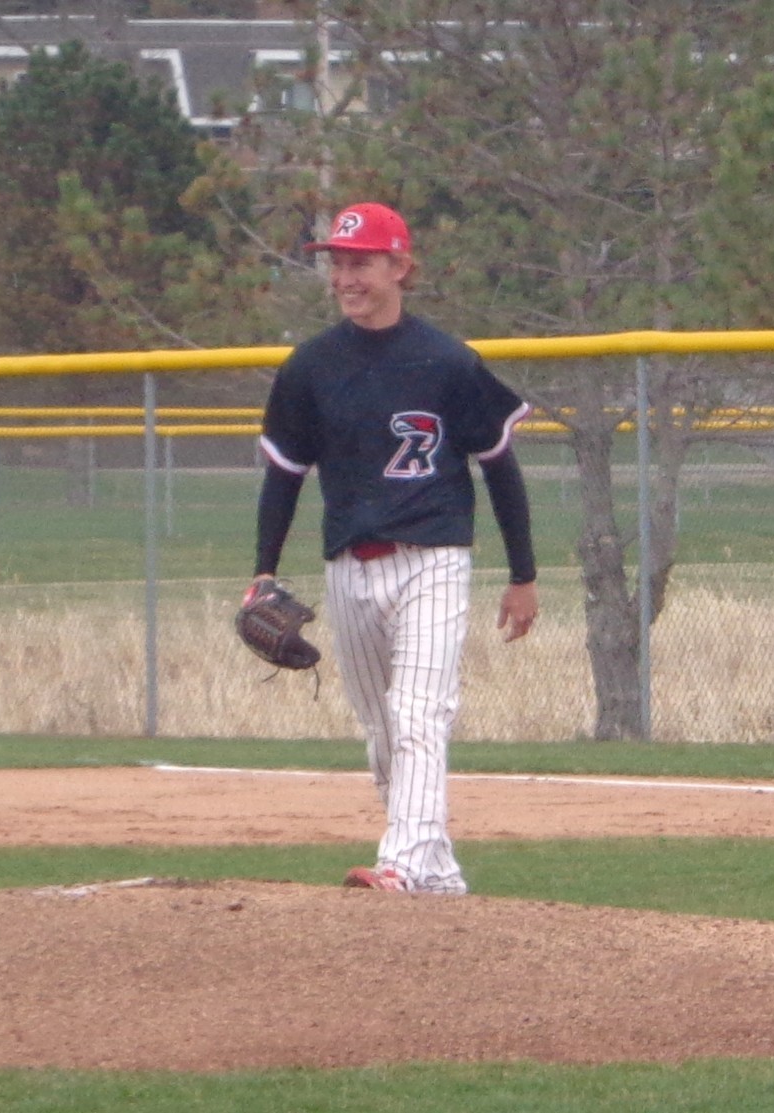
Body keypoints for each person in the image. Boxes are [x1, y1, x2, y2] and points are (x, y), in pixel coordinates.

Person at [248, 201, 540, 893]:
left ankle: (401, 863)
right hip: (350, 565)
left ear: (401, 267)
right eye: (338, 264)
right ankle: (436, 873)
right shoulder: (310, 366)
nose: (346, 277)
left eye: (362, 263)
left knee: (419, 712)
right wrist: (262, 569)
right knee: (383, 732)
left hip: (434, 557)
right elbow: (284, 478)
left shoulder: (447, 361)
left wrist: (523, 573)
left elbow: (500, 466)